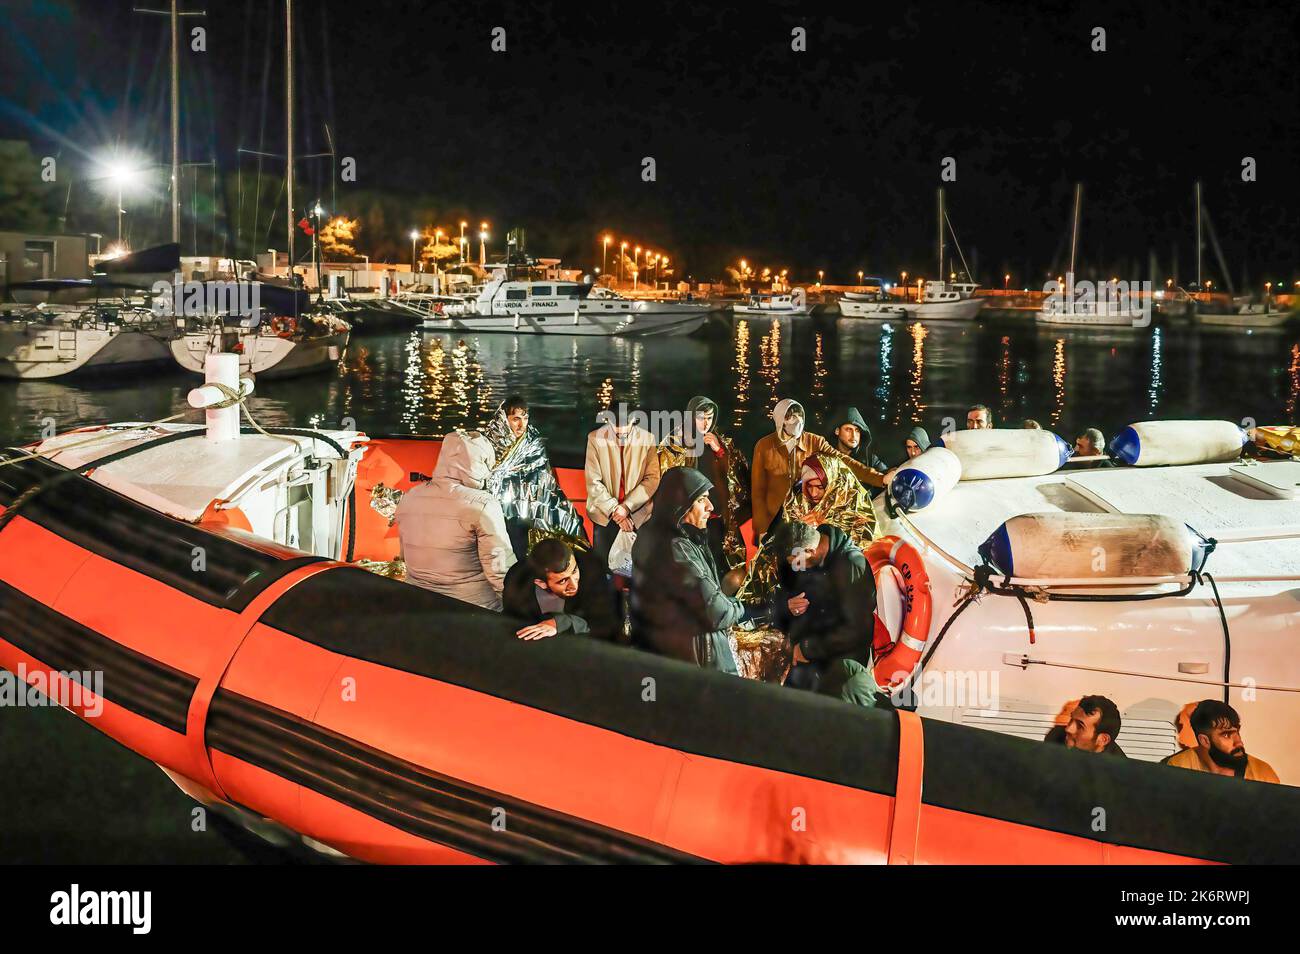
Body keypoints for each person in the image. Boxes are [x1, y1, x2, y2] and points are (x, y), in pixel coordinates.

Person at [630, 467, 749, 674]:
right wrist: (739, 606)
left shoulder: (656, 536)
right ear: (681, 504)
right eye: (702, 499)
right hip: (698, 660)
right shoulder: (677, 548)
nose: (710, 507)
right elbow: (717, 612)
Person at [395, 430, 516, 611]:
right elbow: (499, 570)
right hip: (472, 608)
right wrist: (517, 608)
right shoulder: (483, 504)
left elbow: (404, 557)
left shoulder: (410, 497)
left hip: (418, 605)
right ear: (481, 462)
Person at [770, 519, 876, 697]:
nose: (795, 567)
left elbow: (855, 631)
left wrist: (807, 648)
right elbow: (791, 590)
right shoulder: (811, 554)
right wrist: (790, 605)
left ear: (810, 551)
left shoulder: (852, 566)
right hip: (813, 645)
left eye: (796, 562)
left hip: (839, 662)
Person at [751, 397, 884, 538]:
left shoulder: (814, 441)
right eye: (791, 416)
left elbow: (843, 460)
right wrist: (761, 529)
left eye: (799, 415)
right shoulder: (764, 446)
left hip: (804, 519)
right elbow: (758, 491)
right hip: (775, 521)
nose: (797, 420)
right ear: (780, 419)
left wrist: (879, 478)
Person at [482, 395, 587, 560]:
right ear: (503, 419)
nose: (521, 424)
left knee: (570, 518)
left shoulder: (533, 443)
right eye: (515, 419)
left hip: (531, 505)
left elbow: (543, 479)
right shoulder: (487, 443)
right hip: (501, 509)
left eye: (525, 418)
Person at [658, 395, 752, 574]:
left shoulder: (718, 440)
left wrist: (719, 451)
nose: (706, 423)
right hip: (689, 514)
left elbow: (736, 473)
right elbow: (666, 475)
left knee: (718, 557)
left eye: (709, 418)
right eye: (701, 417)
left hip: (715, 513)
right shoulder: (675, 441)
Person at [585, 404, 661, 567]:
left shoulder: (647, 439)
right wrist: (614, 510)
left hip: (638, 515)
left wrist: (626, 507)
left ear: (634, 419)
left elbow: (652, 478)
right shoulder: (595, 438)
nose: (620, 436)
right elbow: (593, 481)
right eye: (615, 432)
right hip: (604, 515)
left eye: (625, 433)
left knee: (637, 568)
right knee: (604, 567)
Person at [502, 539, 620, 642]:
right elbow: (514, 625)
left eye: (574, 571)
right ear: (541, 583)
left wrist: (561, 623)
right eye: (563, 581)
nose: (573, 585)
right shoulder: (518, 586)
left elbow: (605, 624)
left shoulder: (592, 575)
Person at [1164, 700, 1280, 782]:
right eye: (1226, 734)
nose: (1239, 743)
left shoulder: (1262, 773)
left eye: (1237, 732)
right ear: (1205, 741)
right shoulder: (1180, 767)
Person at [1043, 696, 1127, 756]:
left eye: (1080, 726)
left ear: (1102, 740)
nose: (1068, 729)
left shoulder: (1117, 773)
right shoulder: (1055, 737)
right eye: (1071, 719)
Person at [826, 406, 890, 474]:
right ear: (837, 431)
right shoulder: (826, 456)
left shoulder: (870, 460)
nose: (854, 435)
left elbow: (886, 475)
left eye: (857, 431)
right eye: (848, 429)